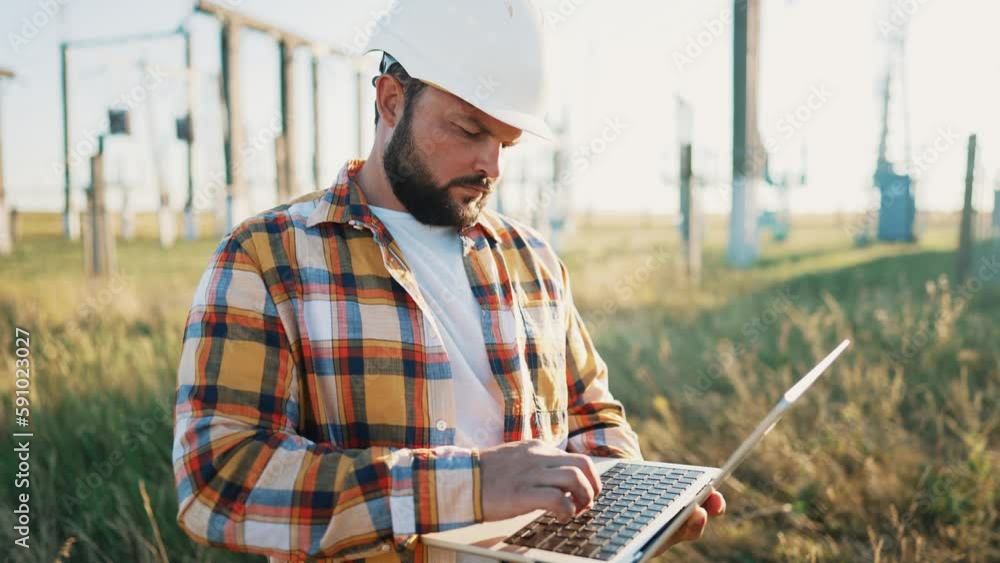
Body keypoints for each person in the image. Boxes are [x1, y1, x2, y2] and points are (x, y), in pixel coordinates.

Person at [172, 2, 724, 561]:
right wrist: (471, 486)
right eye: (469, 129)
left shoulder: (531, 259)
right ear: (391, 100)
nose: (493, 167)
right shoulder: (267, 257)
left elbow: (591, 418)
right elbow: (217, 480)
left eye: (506, 144)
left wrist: (629, 512)